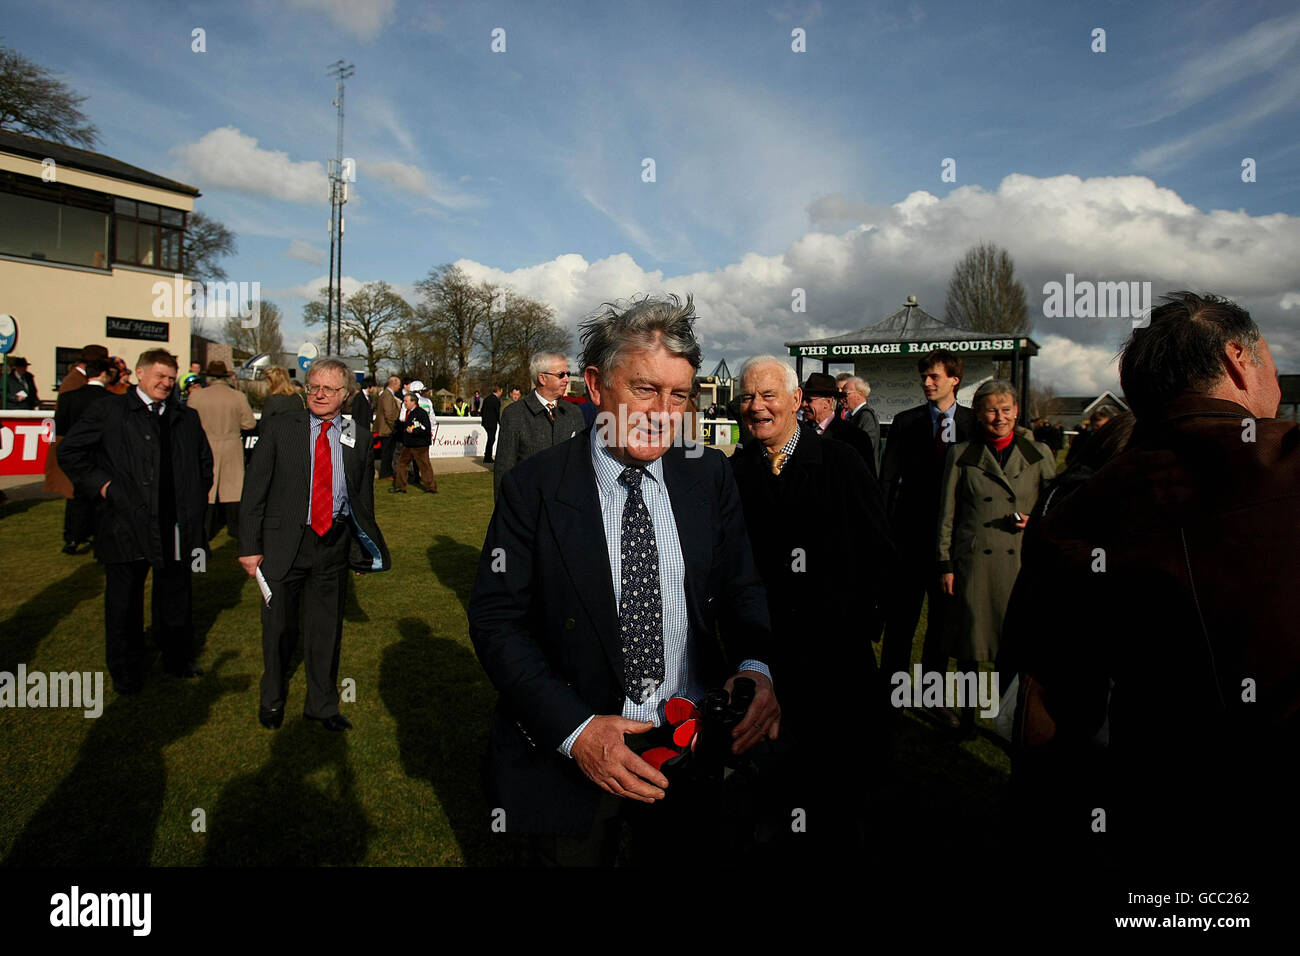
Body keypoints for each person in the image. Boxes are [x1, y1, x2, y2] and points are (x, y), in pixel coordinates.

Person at [467, 294, 778, 865]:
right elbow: (497, 621)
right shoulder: (533, 487)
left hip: (692, 748)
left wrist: (756, 669)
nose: (664, 411)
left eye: (678, 394)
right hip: (574, 753)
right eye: (644, 388)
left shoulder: (708, 474)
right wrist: (577, 731)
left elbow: (742, 588)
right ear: (594, 385)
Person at [1009, 291, 1297, 882]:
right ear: (1240, 359)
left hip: (1152, 827)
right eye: (1269, 359)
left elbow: (1049, 697)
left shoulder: (1072, 514)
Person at [730, 355, 895, 854]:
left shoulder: (840, 462)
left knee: (838, 791)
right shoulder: (734, 473)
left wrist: (857, 621)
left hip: (835, 661)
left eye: (768, 395)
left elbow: (880, 552)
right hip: (765, 656)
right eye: (747, 397)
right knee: (770, 786)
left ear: (797, 401)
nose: (756, 407)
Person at [238, 358, 391, 732]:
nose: (319, 394)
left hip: (332, 544)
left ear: (346, 395)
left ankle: (321, 706)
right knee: (278, 629)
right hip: (282, 544)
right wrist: (248, 546)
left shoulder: (356, 432)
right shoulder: (278, 428)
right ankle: (272, 700)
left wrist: (359, 546)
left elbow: (362, 495)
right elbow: (253, 491)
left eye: (329, 389)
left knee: (325, 630)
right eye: (313, 387)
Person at [58, 349, 213, 694]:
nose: (166, 383)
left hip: (174, 525)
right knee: (124, 601)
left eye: (171, 378)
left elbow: (204, 463)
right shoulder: (108, 410)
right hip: (124, 522)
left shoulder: (185, 417)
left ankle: (176, 658)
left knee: (175, 596)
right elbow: (70, 452)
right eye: (159, 376)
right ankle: (126, 670)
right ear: (140, 374)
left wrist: (194, 502)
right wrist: (105, 486)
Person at [936, 380, 1055, 735]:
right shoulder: (961, 454)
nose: (999, 417)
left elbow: (1057, 507)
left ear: (1016, 411)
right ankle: (969, 719)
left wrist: (1037, 524)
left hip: (1020, 565)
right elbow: (947, 515)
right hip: (974, 566)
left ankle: (1007, 720)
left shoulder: (1039, 454)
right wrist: (945, 563)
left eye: (1005, 409)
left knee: (1013, 650)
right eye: (990, 409)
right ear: (979, 414)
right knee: (971, 650)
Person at [877, 349, 976, 684]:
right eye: (924, 377)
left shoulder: (972, 425)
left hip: (949, 546)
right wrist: (885, 535)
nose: (927, 382)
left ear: (955, 379)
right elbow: (887, 481)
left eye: (934, 376)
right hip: (907, 542)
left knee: (941, 624)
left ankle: (931, 691)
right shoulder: (906, 423)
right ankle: (890, 691)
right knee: (900, 622)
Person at [492, 352, 582, 499]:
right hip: (529, 508)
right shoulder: (514, 414)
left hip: (567, 509)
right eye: (561, 374)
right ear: (542, 378)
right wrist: (504, 516)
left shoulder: (574, 413)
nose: (567, 379)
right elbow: (504, 470)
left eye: (568, 373)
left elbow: (582, 465)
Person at [186, 361, 256, 542]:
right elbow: (249, 423)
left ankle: (206, 527)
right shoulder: (237, 396)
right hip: (231, 443)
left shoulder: (196, 397)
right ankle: (235, 528)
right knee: (232, 488)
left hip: (205, 444)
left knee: (207, 488)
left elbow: (188, 423)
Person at [52, 358, 115, 553]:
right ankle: (99, 538)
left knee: (77, 497)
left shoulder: (68, 397)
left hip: (76, 453)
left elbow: (60, 426)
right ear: (103, 373)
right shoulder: (111, 400)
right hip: (101, 453)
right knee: (101, 498)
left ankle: (72, 538)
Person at [798, 372, 877, 477]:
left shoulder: (854, 436)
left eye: (809, 400)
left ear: (828, 402)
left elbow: (866, 480)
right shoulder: (799, 432)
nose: (804, 405)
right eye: (803, 399)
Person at [389, 392, 439, 494]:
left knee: (424, 466)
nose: (404, 403)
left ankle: (431, 487)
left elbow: (426, 428)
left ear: (413, 402)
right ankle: (400, 487)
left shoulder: (421, 413)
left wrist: (414, 431)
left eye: (406, 401)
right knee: (402, 464)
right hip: (409, 445)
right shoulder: (409, 412)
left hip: (420, 445)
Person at [842, 376, 881, 468]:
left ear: (859, 394)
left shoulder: (865, 416)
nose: (842, 399)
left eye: (845, 394)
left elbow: (864, 449)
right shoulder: (855, 415)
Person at [373, 375, 402, 478]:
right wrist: (393, 426)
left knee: (387, 452)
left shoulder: (386, 394)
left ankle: (387, 472)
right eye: (398, 385)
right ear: (393, 384)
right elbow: (389, 413)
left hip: (386, 427)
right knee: (387, 453)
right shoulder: (388, 395)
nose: (399, 387)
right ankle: (385, 474)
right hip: (387, 428)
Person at [480, 384, 503, 463]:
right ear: (499, 391)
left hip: (486, 422)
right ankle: (487, 457)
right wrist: (500, 422)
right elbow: (497, 413)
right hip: (492, 423)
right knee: (491, 439)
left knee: (490, 439)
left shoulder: (487, 399)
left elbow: (482, 411)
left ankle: (487, 456)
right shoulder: (496, 400)